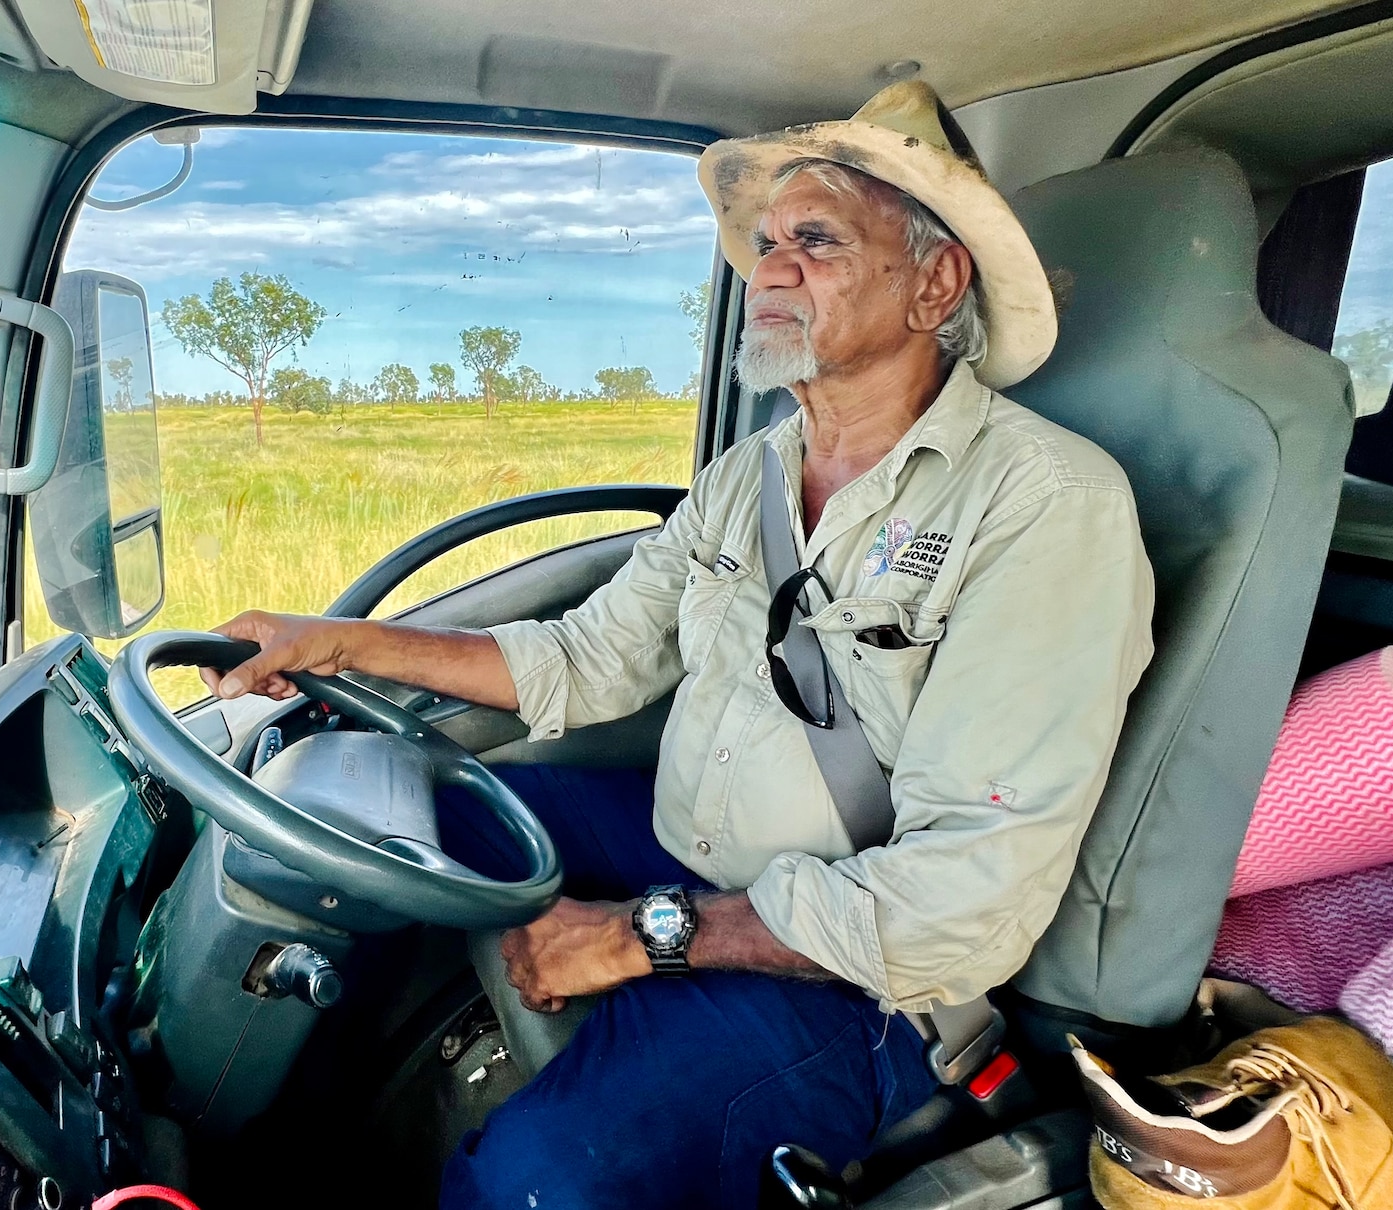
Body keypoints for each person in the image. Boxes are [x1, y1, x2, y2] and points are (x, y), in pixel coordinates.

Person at [199, 81, 1155, 1209]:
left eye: (816, 240)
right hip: (685, 846)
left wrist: (637, 934)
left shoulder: (1045, 505)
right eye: (763, 244)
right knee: (397, 811)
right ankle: (278, 1138)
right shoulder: (744, 478)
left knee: (536, 1182)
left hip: (862, 980)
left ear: (934, 281)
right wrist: (336, 643)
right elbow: (582, 659)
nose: (769, 269)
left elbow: (956, 901)